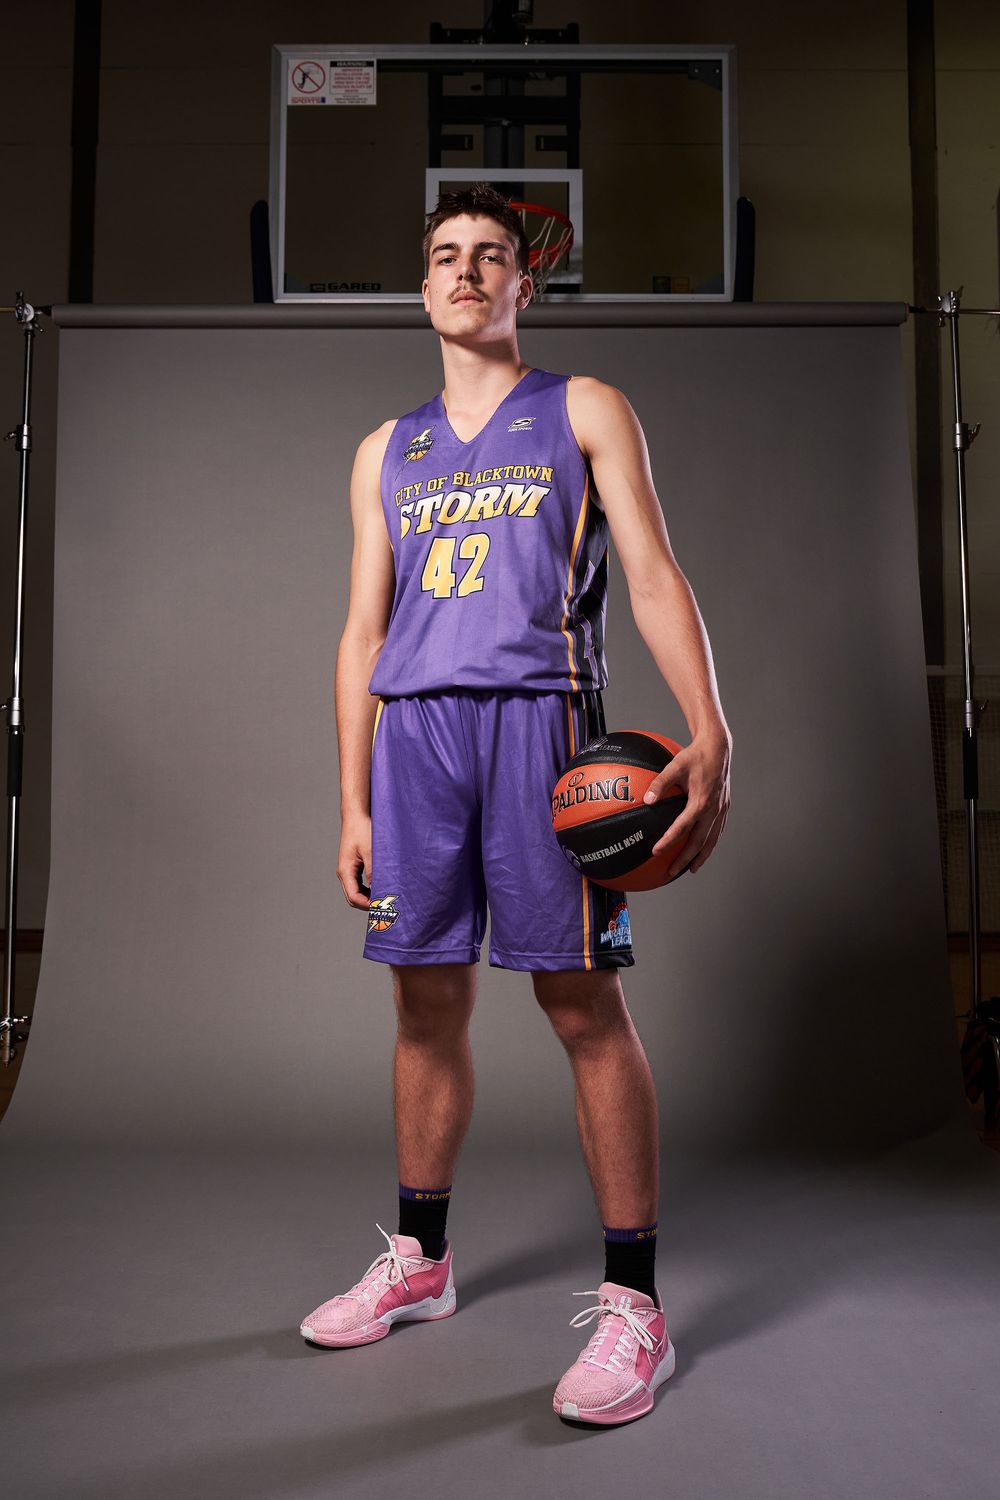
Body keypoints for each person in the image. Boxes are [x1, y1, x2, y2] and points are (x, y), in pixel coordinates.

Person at [299, 185, 732, 1426]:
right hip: (416, 740)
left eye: (490, 257)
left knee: (581, 1003)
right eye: (444, 256)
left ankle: (635, 1308)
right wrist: (350, 797)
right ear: (422, 286)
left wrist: (711, 726)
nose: (467, 273)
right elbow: (361, 632)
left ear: (522, 286)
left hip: (543, 725)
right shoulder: (388, 449)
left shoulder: (582, 407)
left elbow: (649, 573)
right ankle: (422, 1264)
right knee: (422, 996)